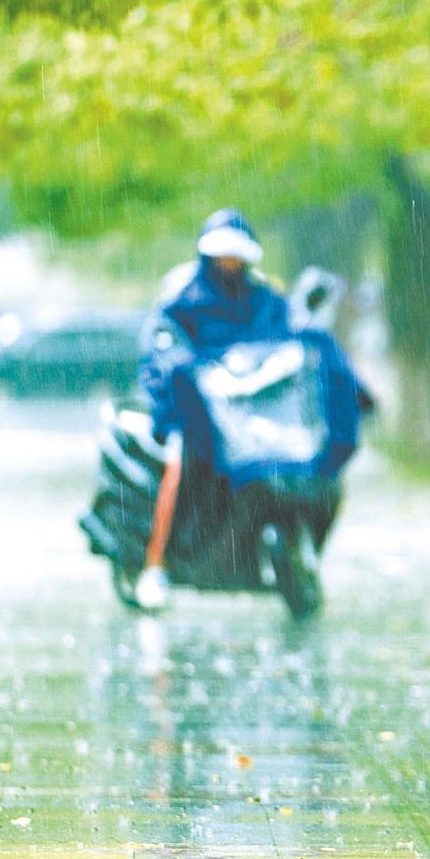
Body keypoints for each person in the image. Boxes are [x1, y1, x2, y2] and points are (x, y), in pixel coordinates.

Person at [132, 209, 290, 610]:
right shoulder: (182, 298)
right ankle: (155, 565)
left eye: (236, 257)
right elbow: (161, 350)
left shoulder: (265, 300)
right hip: (193, 414)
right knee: (179, 471)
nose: (230, 264)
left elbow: (289, 339)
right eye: (223, 256)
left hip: (249, 414)